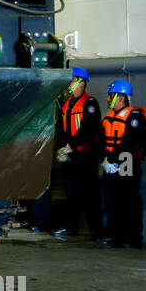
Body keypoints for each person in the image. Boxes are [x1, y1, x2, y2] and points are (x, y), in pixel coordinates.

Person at [54, 66, 102, 236]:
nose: (70, 83)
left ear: (81, 82)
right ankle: (71, 226)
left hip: (85, 155)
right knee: (71, 193)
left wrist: (71, 147)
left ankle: (95, 229)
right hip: (70, 156)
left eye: (73, 79)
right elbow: (60, 128)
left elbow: (89, 130)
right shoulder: (66, 103)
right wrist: (61, 148)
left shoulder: (90, 103)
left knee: (88, 193)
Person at [100, 79, 146, 248]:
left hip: (126, 161)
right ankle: (116, 235)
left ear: (120, 97)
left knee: (128, 199)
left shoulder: (134, 116)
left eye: (110, 96)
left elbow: (130, 141)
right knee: (111, 198)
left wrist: (113, 160)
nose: (107, 99)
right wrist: (105, 160)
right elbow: (101, 140)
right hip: (109, 162)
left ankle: (133, 237)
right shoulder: (108, 116)